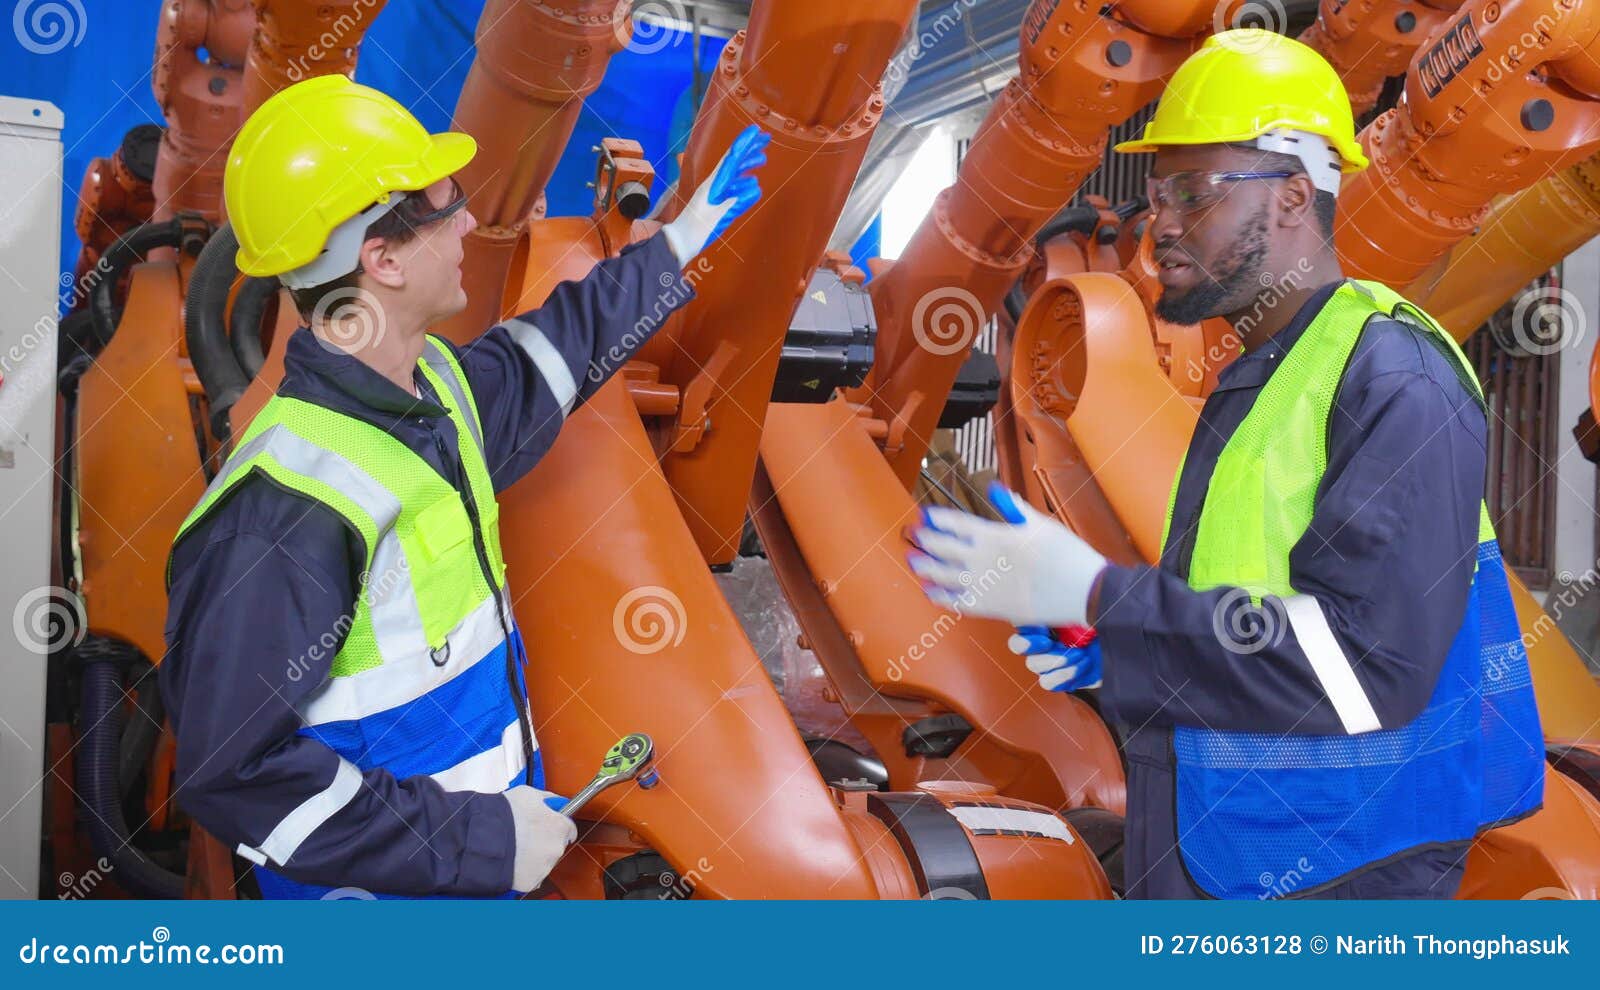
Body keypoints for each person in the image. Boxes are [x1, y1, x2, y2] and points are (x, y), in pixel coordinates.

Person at [908, 30, 1544, 900]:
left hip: (1342, 874)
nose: (1159, 222)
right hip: (1231, 843)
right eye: (1161, 191)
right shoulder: (1263, 370)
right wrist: (1118, 652)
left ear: (1291, 196)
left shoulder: (1395, 378)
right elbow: (1265, 608)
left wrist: (1102, 594)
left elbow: (1367, 674)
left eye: (1193, 192)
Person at [160, 74, 769, 899]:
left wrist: (676, 243)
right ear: (380, 257)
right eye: (447, 206)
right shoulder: (284, 506)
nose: (470, 223)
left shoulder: (435, 392)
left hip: (475, 884)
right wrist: (474, 841)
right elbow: (232, 771)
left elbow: (555, 348)